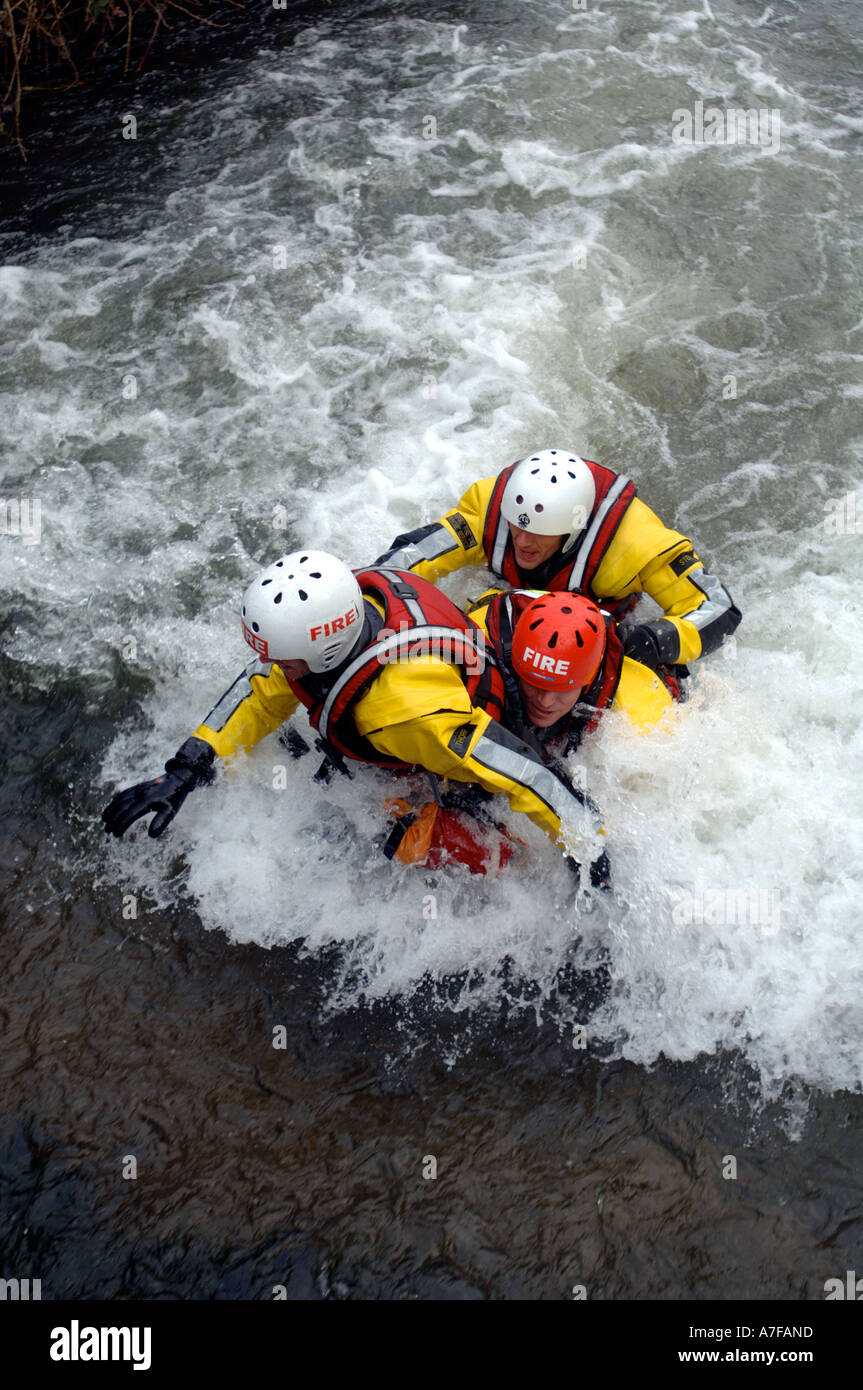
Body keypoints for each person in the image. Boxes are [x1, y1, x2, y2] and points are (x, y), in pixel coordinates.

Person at [101, 552, 609, 884]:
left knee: (434, 853)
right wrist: (189, 767)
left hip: (460, 752)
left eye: (286, 658)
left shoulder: (407, 711)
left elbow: (518, 768)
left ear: (324, 652)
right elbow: (263, 691)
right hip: (443, 702)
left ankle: (503, 864)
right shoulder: (349, 609)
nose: (277, 666)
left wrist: (585, 846)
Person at [374, 448, 741, 676]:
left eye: (538, 532)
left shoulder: (636, 542)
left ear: (573, 528)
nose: (521, 541)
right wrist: (373, 606)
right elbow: (413, 556)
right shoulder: (488, 507)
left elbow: (720, 609)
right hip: (507, 607)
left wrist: (652, 641)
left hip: (599, 625)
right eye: (516, 527)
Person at [471, 588, 677, 765]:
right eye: (535, 683)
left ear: (588, 682)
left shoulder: (637, 709)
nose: (545, 701)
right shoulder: (476, 639)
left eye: (563, 689)